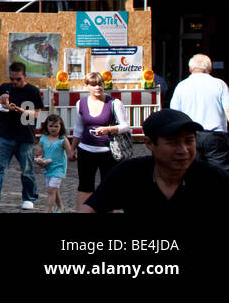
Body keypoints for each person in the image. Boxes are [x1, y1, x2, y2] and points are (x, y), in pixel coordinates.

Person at [83, 109, 229, 213]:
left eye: (189, 141)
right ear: (149, 144)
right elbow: (90, 208)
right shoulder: (129, 174)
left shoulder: (213, 178)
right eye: (173, 142)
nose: (183, 150)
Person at [0, 61, 43, 212]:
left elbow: (36, 114)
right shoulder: (4, 88)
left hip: (25, 136)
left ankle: (29, 198)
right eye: (12, 78)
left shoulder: (32, 91)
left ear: (24, 76)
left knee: (27, 169)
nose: (14, 82)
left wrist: (18, 109)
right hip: (4, 136)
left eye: (18, 79)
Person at [68, 70, 131, 212]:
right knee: (85, 186)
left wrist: (108, 129)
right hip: (86, 150)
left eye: (100, 84)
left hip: (108, 152)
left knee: (108, 187)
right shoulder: (81, 103)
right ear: (87, 87)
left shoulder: (114, 103)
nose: (98, 87)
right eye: (94, 84)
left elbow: (126, 126)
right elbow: (78, 128)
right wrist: (72, 149)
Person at [168, 53, 229, 171]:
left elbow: (174, 114)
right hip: (215, 136)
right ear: (210, 68)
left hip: (190, 135)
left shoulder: (181, 86)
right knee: (220, 173)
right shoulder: (220, 84)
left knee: (194, 171)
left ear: (190, 68)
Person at [33, 113, 69, 213]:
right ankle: (61, 206)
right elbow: (38, 151)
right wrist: (39, 159)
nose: (53, 128)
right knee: (53, 189)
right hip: (48, 168)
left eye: (56, 126)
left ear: (61, 127)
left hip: (59, 168)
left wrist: (74, 154)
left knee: (51, 190)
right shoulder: (43, 138)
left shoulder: (63, 140)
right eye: (51, 126)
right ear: (46, 126)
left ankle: (47, 211)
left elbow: (70, 154)